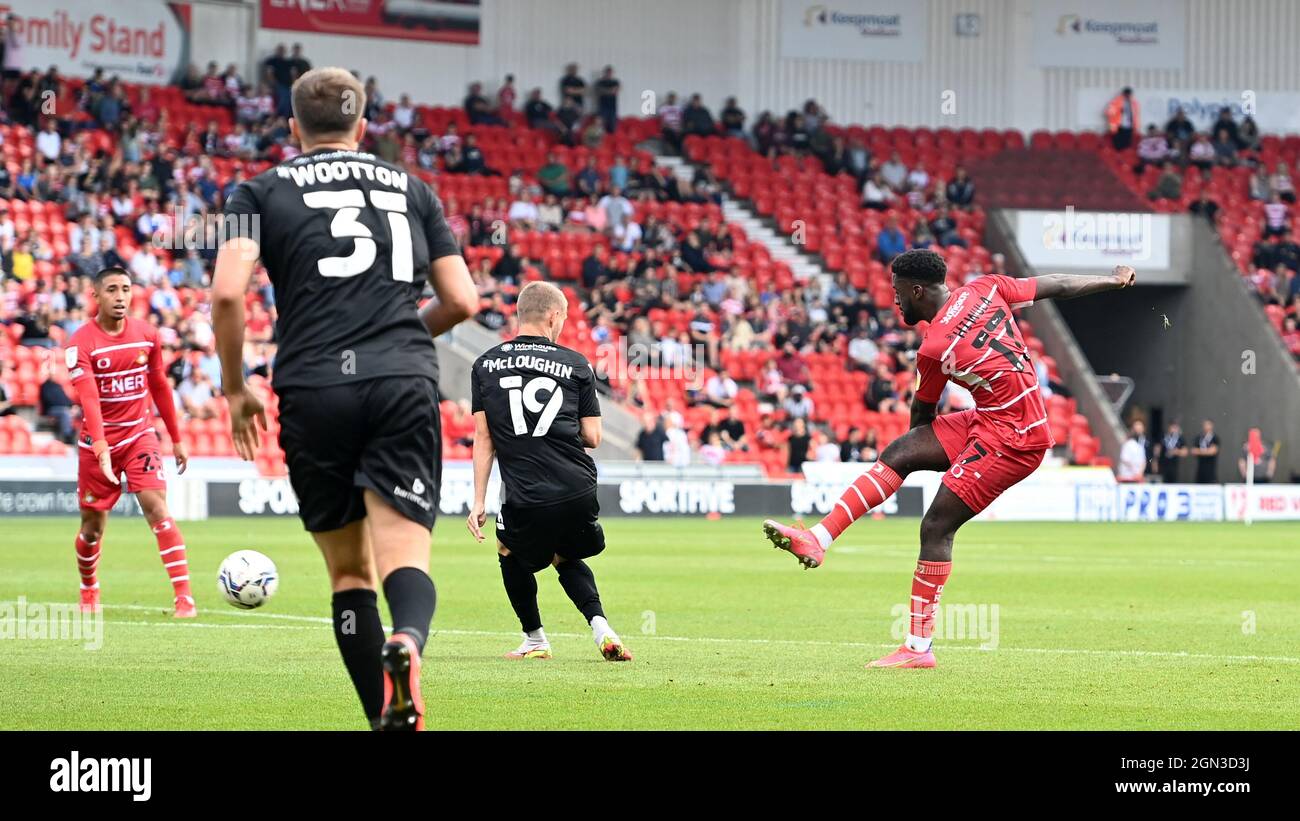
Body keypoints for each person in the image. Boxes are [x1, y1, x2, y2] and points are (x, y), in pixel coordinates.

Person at [214, 68, 478, 731]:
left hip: (311, 385)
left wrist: (234, 386)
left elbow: (225, 294)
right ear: (363, 129)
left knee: (348, 574)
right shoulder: (414, 189)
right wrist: (389, 338)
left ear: (293, 129)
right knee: (404, 557)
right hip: (401, 382)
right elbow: (463, 301)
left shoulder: (259, 189)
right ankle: (408, 641)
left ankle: (388, 720)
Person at [761, 249, 1137, 668]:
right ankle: (819, 537)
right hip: (994, 417)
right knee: (900, 452)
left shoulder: (935, 346)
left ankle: (918, 650)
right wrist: (1113, 280)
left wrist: (925, 449)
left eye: (898, 292)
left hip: (1015, 438)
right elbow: (1060, 285)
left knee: (936, 525)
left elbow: (922, 414)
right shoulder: (987, 287)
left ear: (917, 290)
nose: (896, 300)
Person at [466, 281, 632, 664]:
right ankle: (601, 627)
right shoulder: (576, 363)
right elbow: (592, 436)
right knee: (564, 554)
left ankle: (535, 638)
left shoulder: (485, 365)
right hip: (577, 486)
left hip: (525, 492)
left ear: (519, 314)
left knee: (508, 549)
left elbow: (483, 437)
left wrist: (478, 501)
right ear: (554, 316)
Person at [66, 267, 192, 618]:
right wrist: (103, 446)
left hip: (140, 436)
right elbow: (89, 399)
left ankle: (184, 597)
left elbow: (160, 386)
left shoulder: (147, 336)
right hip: (97, 445)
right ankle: (89, 586)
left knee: (157, 508)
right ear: (96, 295)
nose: (120, 296)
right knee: (92, 530)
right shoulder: (80, 343)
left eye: (125, 289)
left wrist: (177, 438)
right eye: (112, 290)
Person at [1191, 420, 1220, 484]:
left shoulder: (1215, 438)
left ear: (1212, 426)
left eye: (1208, 425)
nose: (1206, 427)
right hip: (1200, 469)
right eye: (1205, 425)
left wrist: (1200, 451)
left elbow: (1213, 451)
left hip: (1210, 470)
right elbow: (1193, 451)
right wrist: (1206, 451)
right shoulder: (1199, 438)